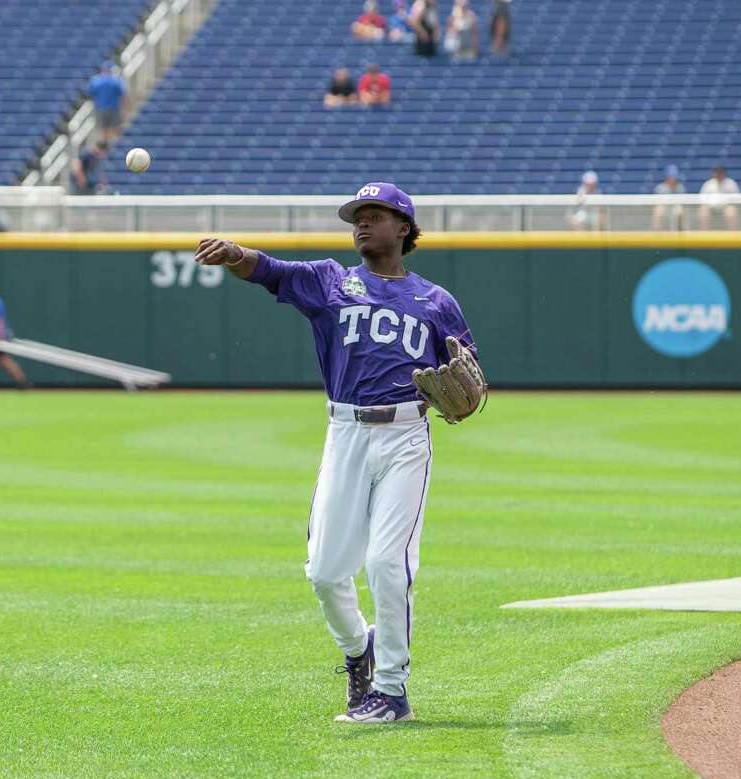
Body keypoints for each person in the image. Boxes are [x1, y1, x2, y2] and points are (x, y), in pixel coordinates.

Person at [195, 181, 484, 724]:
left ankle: (392, 692)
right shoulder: (330, 281)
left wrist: (462, 399)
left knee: (386, 563)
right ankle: (359, 651)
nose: (362, 223)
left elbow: (469, 371)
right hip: (346, 433)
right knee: (325, 572)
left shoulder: (435, 301)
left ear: (404, 228)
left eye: (375, 215)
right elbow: (270, 271)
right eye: (357, 215)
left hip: (405, 437)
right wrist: (235, 254)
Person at [87, 62, 127, 146]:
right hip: (113, 108)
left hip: (101, 108)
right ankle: (115, 146)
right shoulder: (115, 80)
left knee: (103, 129)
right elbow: (123, 95)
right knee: (115, 128)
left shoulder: (96, 80)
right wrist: (123, 108)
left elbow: (90, 93)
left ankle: (105, 146)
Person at [697, 165, 741, 230]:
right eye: (717, 173)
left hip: (726, 207)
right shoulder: (708, 184)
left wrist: (726, 201)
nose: (718, 175)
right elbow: (702, 198)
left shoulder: (731, 183)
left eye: (720, 173)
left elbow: (737, 197)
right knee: (703, 211)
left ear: (723, 173)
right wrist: (711, 203)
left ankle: (732, 236)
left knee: (731, 212)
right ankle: (704, 235)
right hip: (711, 207)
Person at [652, 164, 686, 230]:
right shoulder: (660, 188)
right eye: (670, 176)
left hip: (675, 207)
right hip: (664, 207)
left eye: (674, 176)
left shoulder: (680, 188)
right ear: (666, 177)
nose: (672, 179)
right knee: (658, 211)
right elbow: (657, 203)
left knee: (680, 211)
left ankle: (681, 232)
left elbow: (681, 203)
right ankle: (656, 233)